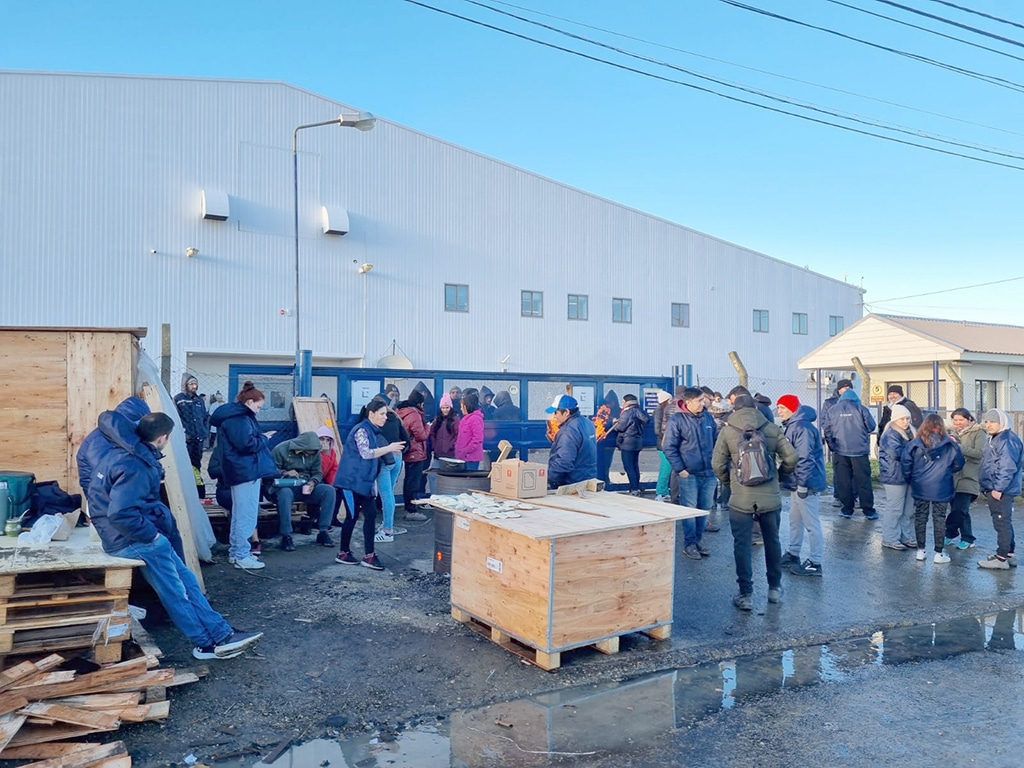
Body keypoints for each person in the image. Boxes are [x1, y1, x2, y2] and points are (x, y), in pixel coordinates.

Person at [80, 410, 262, 660]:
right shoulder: (136, 464)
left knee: (186, 582)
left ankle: (220, 635)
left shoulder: (121, 452)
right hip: (132, 539)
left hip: (123, 536)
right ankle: (208, 644)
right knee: (178, 590)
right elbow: (121, 513)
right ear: (163, 438)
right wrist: (152, 536)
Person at [712, 394, 798, 611]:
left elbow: (717, 464)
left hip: (740, 499)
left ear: (735, 410)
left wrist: (730, 483)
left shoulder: (728, 430)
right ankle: (775, 589)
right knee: (772, 542)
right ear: (756, 408)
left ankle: (745, 594)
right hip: (770, 497)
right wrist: (779, 476)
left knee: (742, 545)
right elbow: (792, 458)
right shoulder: (770, 428)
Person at [210, 382, 278, 571]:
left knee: (241, 514)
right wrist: (265, 438)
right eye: (258, 406)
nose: (258, 410)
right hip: (246, 472)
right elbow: (246, 444)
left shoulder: (233, 417)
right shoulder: (239, 419)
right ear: (249, 402)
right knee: (246, 515)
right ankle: (242, 555)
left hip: (240, 471)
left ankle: (236, 553)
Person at [332, 396, 405, 570]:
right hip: (350, 482)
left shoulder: (373, 431)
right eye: (382, 414)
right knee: (351, 516)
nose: (385, 417)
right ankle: (343, 552)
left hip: (364, 482)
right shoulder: (361, 430)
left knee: (371, 515)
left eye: (385, 414)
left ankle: (369, 555)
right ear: (371, 414)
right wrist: (389, 448)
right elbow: (366, 453)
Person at [901, 414, 964, 564]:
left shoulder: (914, 443)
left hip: (920, 485)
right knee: (939, 518)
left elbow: (906, 465)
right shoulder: (950, 443)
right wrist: (946, 472)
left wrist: (912, 479)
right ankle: (939, 553)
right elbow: (959, 463)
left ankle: (920, 551)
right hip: (942, 485)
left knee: (920, 517)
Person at [663, 387, 718, 560]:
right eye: (700, 400)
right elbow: (669, 447)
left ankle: (698, 541)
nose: (704, 403)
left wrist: (716, 465)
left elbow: (716, 442)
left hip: (709, 472)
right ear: (688, 402)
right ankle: (689, 544)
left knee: (704, 509)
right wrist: (681, 469)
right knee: (690, 509)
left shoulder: (707, 418)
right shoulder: (677, 420)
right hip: (689, 473)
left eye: (704, 400)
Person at [776, 395, 826, 577]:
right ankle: (793, 553)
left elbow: (804, 458)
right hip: (797, 483)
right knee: (795, 521)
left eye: (781, 407)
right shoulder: (793, 426)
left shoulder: (801, 428)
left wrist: (803, 484)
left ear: (792, 408)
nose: (779, 411)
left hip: (805, 483)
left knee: (811, 524)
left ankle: (815, 562)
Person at [268, 431, 337, 551]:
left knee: (329, 491)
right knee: (285, 494)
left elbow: (318, 472)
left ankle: (323, 531)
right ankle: (286, 535)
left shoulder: (315, 453)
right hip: (285, 485)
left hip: (305, 485)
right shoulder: (280, 450)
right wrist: (285, 473)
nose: (314, 453)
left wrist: (312, 482)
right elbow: (269, 471)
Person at [822, 386, 878, 520]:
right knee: (863, 481)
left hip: (840, 451)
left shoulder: (832, 410)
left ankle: (847, 509)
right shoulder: (861, 409)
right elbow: (871, 426)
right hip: (859, 451)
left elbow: (827, 430)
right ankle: (868, 510)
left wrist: (832, 446)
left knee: (843, 481)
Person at [977, 408, 1022, 570]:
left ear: (1002, 422)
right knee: (1004, 522)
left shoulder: (1006, 440)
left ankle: (1001, 558)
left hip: (1000, 490)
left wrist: (998, 488)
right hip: (997, 488)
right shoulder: (997, 438)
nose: (988, 425)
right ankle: (1008, 555)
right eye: (987, 421)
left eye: (993, 422)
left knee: (1001, 522)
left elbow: (1007, 467)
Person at [877, 404, 917, 550]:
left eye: (907, 418)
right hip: (894, 476)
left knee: (907, 510)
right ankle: (890, 538)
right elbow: (898, 454)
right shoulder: (890, 435)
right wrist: (916, 451)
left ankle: (904, 536)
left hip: (907, 475)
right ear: (894, 420)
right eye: (902, 419)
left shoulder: (910, 433)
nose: (906, 422)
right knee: (895, 509)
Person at [946, 407, 984, 550]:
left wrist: (959, 447)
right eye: (955, 420)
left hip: (969, 476)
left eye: (961, 420)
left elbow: (980, 453)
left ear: (969, 419)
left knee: (960, 509)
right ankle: (967, 538)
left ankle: (949, 532)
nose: (958, 423)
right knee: (960, 509)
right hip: (953, 476)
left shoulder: (978, 432)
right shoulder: (952, 433)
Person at [546, 395, 598, 489]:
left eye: (556, 412)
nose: (554, 416)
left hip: (572, 483)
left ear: (566, 412)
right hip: (588, 478)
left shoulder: (569, 431)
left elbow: (564, 461)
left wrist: (549, 480)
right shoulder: (587, 422)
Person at [378, 403, 412, 528]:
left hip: (385, 459)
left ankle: (387, 529)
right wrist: (400, 451)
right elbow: (406, 440)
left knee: (386, 494)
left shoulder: (377, 421)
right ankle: (387, 523)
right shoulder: (396, 418)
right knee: (389, 493)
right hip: (397, 458)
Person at [397, 390, 430, 511]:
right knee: (413, 482)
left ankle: (408, 506)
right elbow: (421, 436)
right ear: (420, 403)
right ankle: (411, 509)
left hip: (405, 450)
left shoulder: (401, 412)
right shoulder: (414, 414)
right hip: (415, 451)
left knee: (408, 480)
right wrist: (428, 426)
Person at [610, 393, 649, 496]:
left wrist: (615, 422)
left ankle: (634, 489)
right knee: (635, 466)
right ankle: (637, 486)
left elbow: (620, 427)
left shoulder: (627, 412)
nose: (622, 403)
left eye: (623, 401)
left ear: (627, 402)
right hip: (637, 442)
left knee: (628, 467)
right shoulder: (639, 411)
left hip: (627, 443)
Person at [174, 375, 209, 473]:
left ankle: (196, 483)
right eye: (191, 384)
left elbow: (204, 417)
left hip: (198, 438)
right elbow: (176, 418)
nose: (194, 387)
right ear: (186, 385)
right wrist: (184, 433)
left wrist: (204, 431)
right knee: (184, 463)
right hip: (186, 439)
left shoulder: (199, 400)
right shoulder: (179, 399)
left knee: (196, 464)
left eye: (195, 384)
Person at [427, 392, 460, 495]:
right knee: (432, 476)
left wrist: (452, 446)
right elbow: (432, 433)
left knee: (451, 479)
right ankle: (435, 498)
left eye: (447, 407)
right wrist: (434, 445)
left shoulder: (455, 419)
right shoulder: (437, 420)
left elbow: (458, 436)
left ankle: (450, 499)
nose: (445, 410)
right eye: (443, 407)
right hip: (438, 454)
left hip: (451, 455)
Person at [652, 389, 673, 502]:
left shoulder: (661, 410)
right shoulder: (660, 411)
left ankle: (664, 492)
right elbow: (657, 430)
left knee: (666, 469)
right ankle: (660, 492)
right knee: (665, 469)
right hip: (663, 445)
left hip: (663, 444)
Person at [454, 391, 484, 470]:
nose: (461, 409)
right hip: (462, 457)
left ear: (467, 406)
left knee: (469, 481)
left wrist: (465, 451)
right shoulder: (466, 418)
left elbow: (477, 439)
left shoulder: (475, 418)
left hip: (471, 458)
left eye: (462, 406)